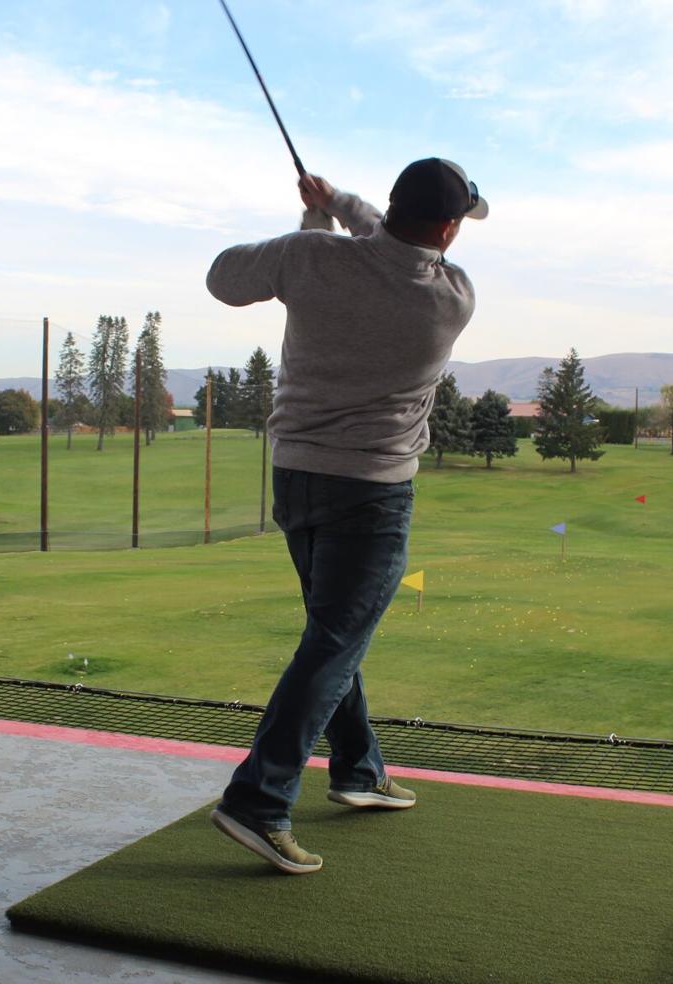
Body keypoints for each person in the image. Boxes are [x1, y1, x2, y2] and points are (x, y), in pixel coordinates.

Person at [205, 158, 487, 874]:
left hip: (295, 476)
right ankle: (259, 800)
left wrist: (312, 219)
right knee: (335, 641)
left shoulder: (311, 257)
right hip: (370, 491)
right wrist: (339, 206)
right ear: (450, 229)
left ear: (392, 206)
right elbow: (390, 249)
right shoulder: (450, 297)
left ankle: (358, 769)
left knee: (334, 633)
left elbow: (225, 279)